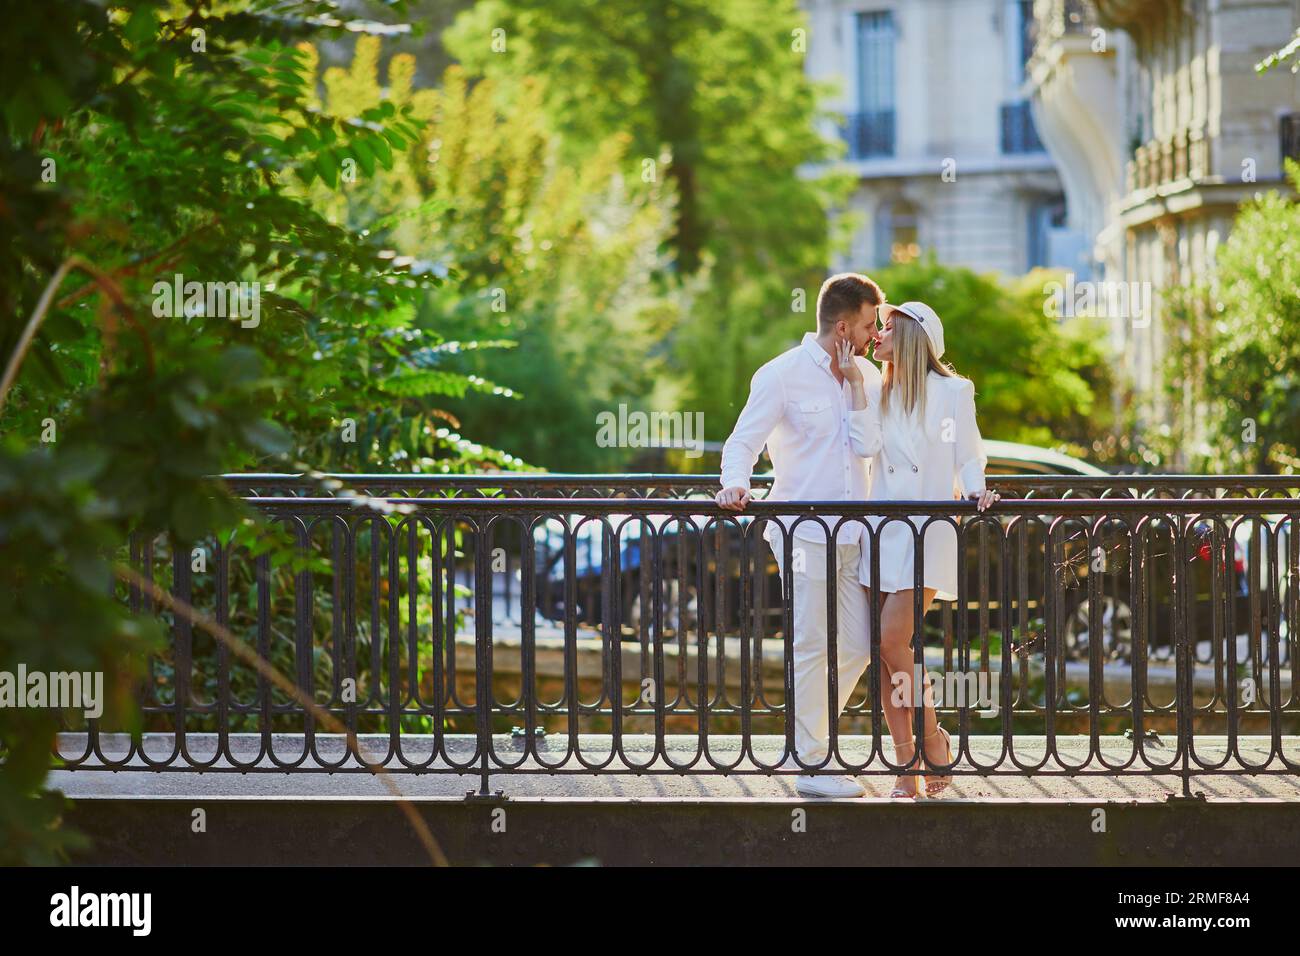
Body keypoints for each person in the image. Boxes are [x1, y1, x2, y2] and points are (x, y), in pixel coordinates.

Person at [717, 273, 883, 798]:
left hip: (857, 532)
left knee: (858, 644)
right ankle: (813, 763)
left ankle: (806, 742)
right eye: (867, 325)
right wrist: (735, 486)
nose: (874, 336)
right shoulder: (781, 375)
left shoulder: (870, 379)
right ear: (842, 326)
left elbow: (866, 448)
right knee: (812, 643)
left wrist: (856, 384)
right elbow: (742, 443)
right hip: (801, 533)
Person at [842, 300, 999, 799]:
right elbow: (865, 447)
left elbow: (968, 452)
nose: (878, 334)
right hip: (880, 532)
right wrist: (853, 386)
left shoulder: (954, 391)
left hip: (927, 532)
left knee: (892, 641)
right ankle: (906, 762)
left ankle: (931, 740)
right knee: (888, 653)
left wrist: (977, 489)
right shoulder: (874, 388)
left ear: (913, 336)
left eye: (887, 327)